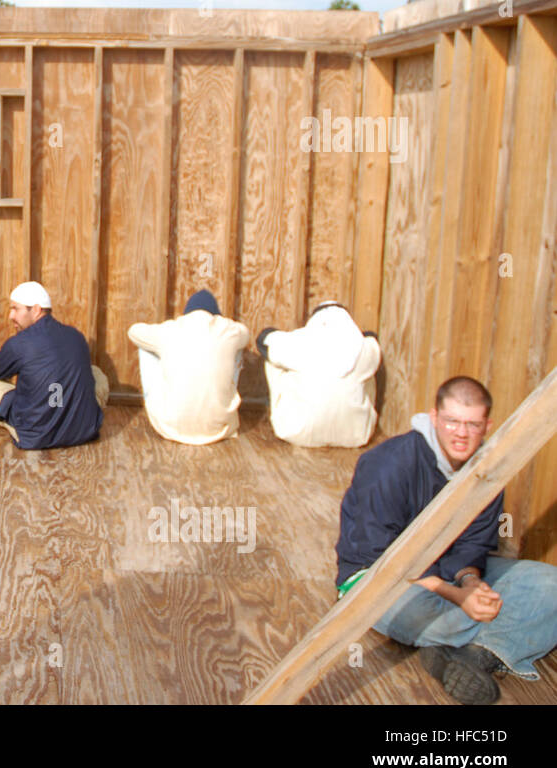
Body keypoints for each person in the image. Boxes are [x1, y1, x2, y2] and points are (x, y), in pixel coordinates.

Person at [335, 376, 557, 704]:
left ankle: (470, 655)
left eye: (472, 424)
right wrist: (455, 594)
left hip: (448, 571)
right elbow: (377, 557)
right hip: (379, 579)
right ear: (435, 417)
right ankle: (494, 641)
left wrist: (470, 581)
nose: (462, 433)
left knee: (549, 585)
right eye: (452, 421)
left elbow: (474, 544)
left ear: (486, 425)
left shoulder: (489, 469)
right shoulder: (390, 463)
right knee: (413, 612)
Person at [0, 282, 107, 449]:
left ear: (36, 310)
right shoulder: (76, 336)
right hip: (83, 431)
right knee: (96, 373)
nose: (11, 316)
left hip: (36, 434)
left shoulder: (19, 343)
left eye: (16, 309)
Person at [127, 289, 250, 444]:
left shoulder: (169, 329)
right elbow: (245, 334)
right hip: (220, 429)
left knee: (145, 346)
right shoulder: (229, 330)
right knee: (235, 349)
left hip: (170, 427)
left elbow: (133, 331)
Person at [258, 301, 380, 448]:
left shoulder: (298, 342)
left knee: (273, 359)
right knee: (368, 369)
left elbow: (263, 340)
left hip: (295, 431)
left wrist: (274, 333)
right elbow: (372, 338)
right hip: (357, 435)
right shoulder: (365, 347)